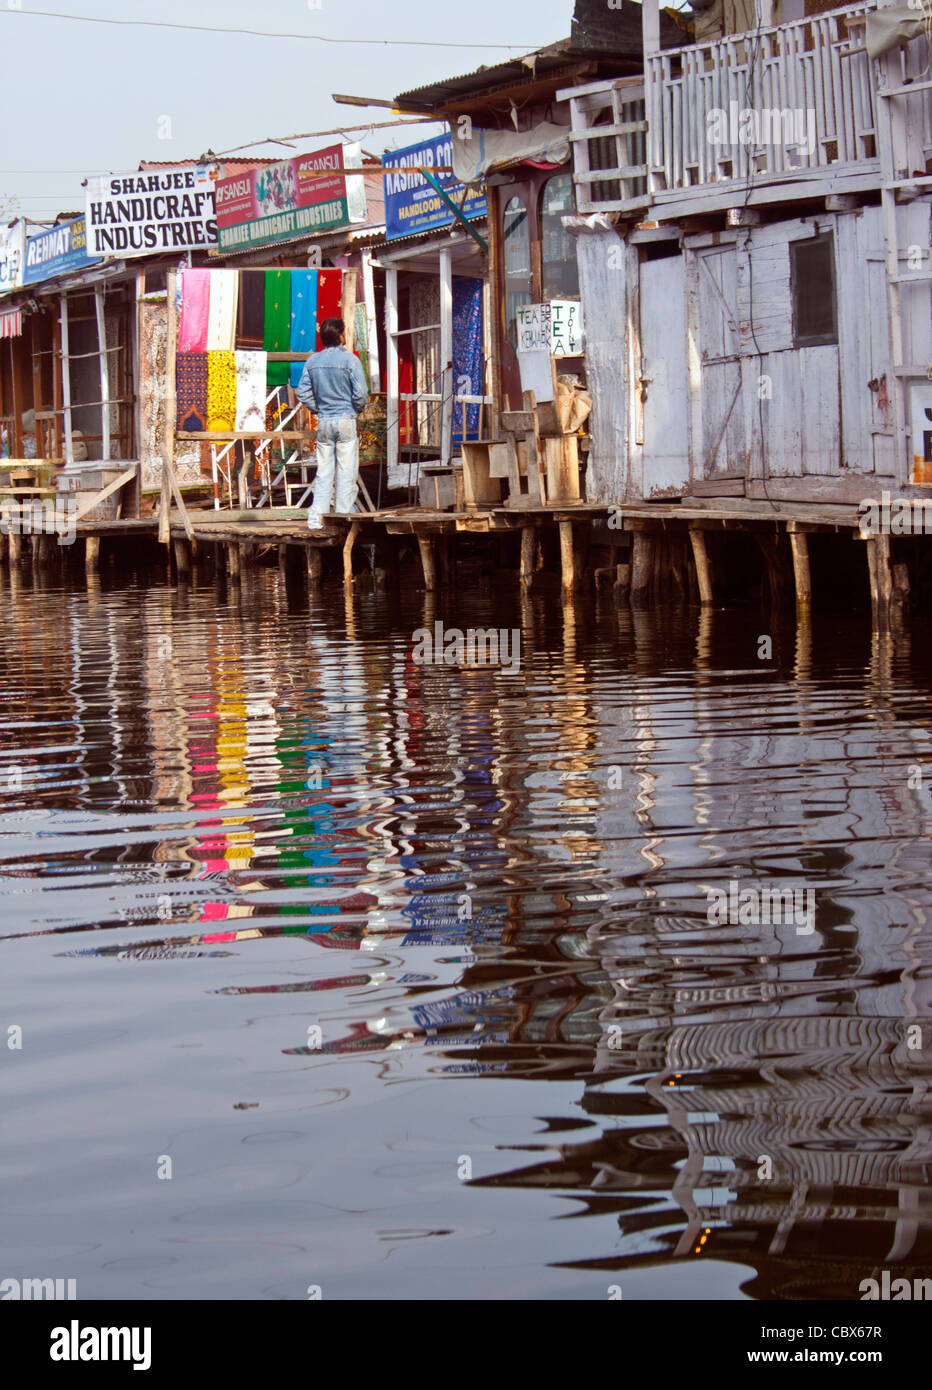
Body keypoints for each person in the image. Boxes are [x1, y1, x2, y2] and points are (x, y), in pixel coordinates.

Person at [295, 316, 369, 531]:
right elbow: (361, 394)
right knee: (346, 472)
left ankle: (316, 520)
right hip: (346, 419)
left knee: (324, 471)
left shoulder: (313, 361)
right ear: (340, 335)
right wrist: (357, 409)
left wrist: (318, 408)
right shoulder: (351, 360)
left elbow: (303, 393)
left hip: (325, 421)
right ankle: (342, 517)